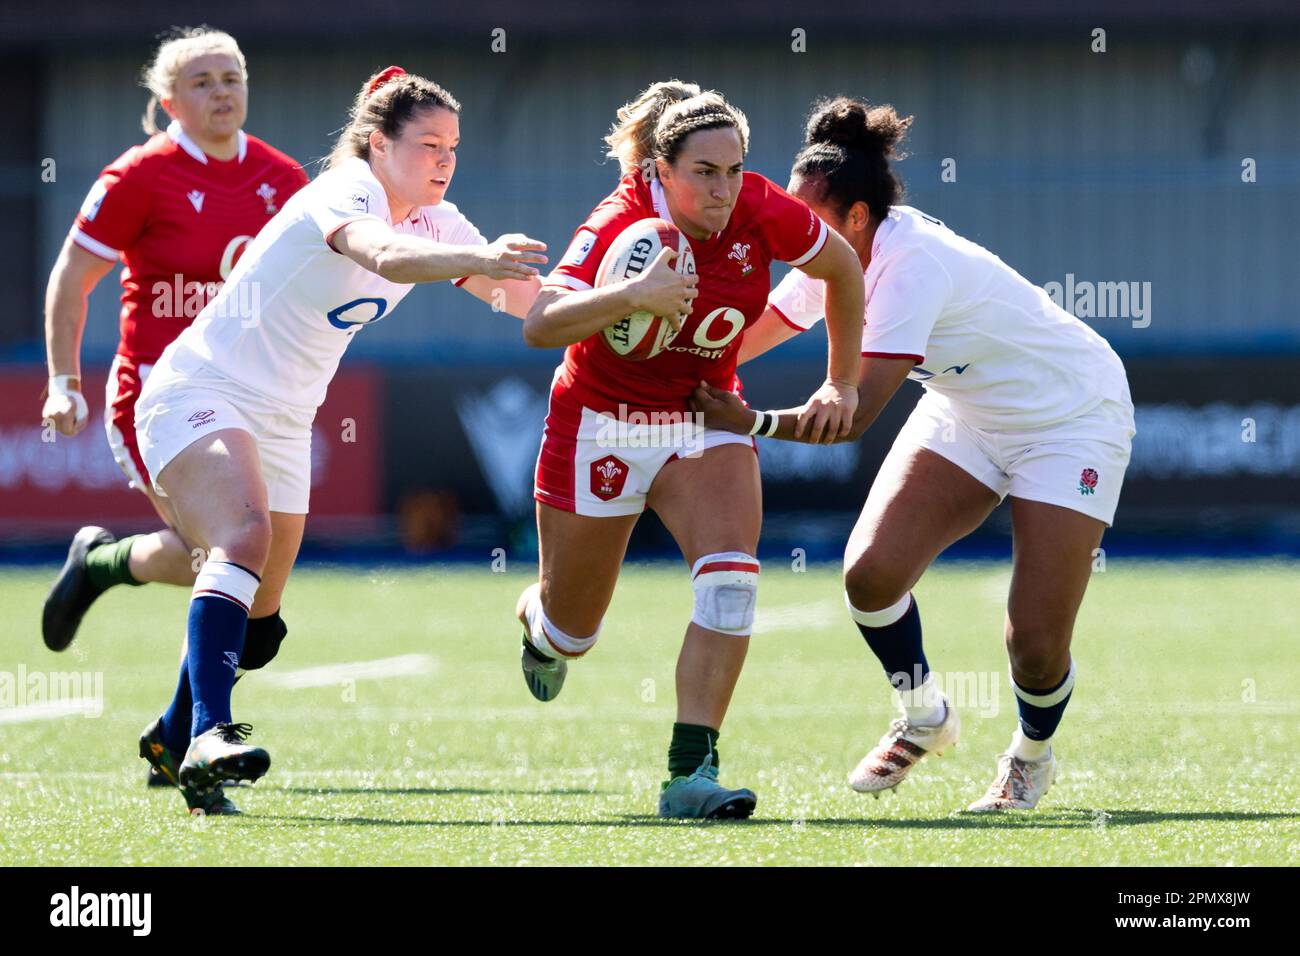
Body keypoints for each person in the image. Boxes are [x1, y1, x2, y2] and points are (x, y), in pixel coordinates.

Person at [691, 96, 1135, 812]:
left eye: (810, 218)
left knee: (1035, 643)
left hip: (1072, 417)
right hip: (970, 410)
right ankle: (925, 715)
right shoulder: (829, 253)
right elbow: (759, 330)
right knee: (870, 577)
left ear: (858, 217)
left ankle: (1030, 755)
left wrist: (748, 420)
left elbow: (853, 415)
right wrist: (676, 370)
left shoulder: (910, 267)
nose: (791, 234)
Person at [127, 64, 546, 815]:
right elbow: (383, 257)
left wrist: (627, 306)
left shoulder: (438, 222)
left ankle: (170, 733)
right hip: (201, 388)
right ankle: (208, 738)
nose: (444, 162)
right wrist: (481, 259)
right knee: (243, 538)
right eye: (428, 145)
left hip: (285, 420)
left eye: (453, 147)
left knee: (259, 631)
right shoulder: (345, 190)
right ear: (377, 145)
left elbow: (528, 304)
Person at [518, 81, 864, 819]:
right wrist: (632, 296)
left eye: (734, 168)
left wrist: (841, 384)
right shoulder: (620, 221)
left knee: (732, 582)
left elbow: (842, 268)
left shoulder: (760, 208)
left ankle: (691, 772)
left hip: (702, 419)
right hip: (599, 421)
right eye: (704, 172)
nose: (723, 187)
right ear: (659, 170)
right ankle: (540, 625)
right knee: (572, 633)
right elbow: (542, 324)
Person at [40, 29, 309, 772]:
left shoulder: (281, 179)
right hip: (159, 393)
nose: (222, 91)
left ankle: (106, 570)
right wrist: (64, 382)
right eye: (201, 81)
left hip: (248, 393)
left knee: (229, 563)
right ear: (168, 103)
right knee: (232, 552)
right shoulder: (139, 177)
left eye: (233, 76)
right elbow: (71, 278)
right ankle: (190, 736)